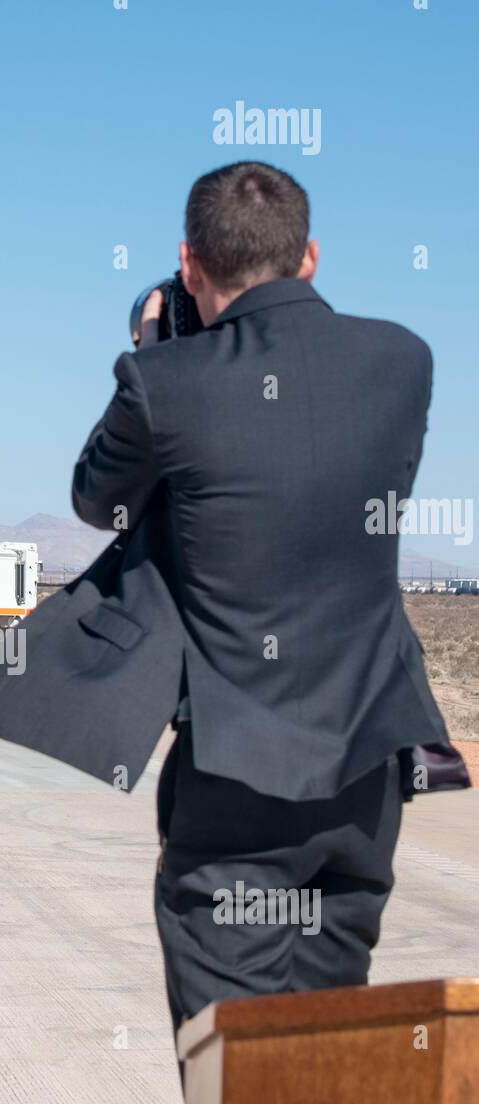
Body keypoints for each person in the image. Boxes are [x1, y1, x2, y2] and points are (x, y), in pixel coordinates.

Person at [67, 160, 449, 1048]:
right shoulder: (402, 360)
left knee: (233, 1067)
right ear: (309, 257)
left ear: (188, 264)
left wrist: (161, 351)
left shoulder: (165, 382)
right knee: (323, 1048)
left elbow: (98, 497)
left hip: (237, 775)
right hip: (364, 773)